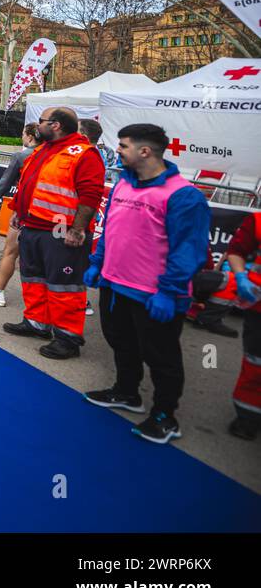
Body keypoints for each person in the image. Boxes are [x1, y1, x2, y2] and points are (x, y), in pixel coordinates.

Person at [83, 123, 210, 443]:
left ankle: (165, 415)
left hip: (155, 294)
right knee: (121, 342)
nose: (118, 151)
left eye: (123, 146)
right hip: (115, 285)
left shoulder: (184, 195)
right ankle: (127, 393)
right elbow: (111, 228)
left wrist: (169, 291)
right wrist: (98, 263)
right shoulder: (122, 185)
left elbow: (189, 250)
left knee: (161, 356)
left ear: (145, 151)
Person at [2, 106, 105, 359]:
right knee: (33, 277)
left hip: (62, 230)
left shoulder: (84, 153)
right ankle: (37, 322)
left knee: (64, 285)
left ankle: (68, 337)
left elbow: (91, 195)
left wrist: (78, 228)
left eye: (42, 121)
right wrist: (18, 210)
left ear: (56, 125)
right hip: (34, 225)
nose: (38, 126)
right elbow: (28, 183)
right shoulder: (44, 150)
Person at [190, 213, 261, 439]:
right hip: (256, 305)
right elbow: (234, 252)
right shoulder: (257, 222)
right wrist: (241, 277)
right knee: (255, 363)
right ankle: (247, 419)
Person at [0, 123, 40, 307]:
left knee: (10, 252)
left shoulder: (22, 155)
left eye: (22, 134)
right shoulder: (53, 154)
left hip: (25, 209)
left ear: (29, 136)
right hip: (49, 213)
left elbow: (5, 182)